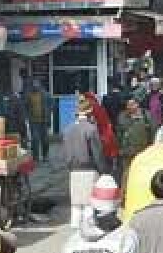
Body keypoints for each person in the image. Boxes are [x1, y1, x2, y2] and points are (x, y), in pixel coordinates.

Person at [60, 97, 111, 227]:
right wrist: (104, 170)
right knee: (89, 204)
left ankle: (75, 230)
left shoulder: (67, 130)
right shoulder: (91, 129)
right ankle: (89, 229)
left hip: (73, 170)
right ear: (90, 114)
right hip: (89, 169)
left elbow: (65, 153)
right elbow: (98, 154)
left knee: (76, 204)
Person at [117, 98, 154, 170]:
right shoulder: (122, 116)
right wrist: (120, 150)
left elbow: (153, 132)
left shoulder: (146, 115)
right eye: (128, 105)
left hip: (143, 152)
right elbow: (119, 134)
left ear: (137, 104)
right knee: (127, 173)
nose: (129, 107)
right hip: (127, 153)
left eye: (132, 104)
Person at [25, 79, 53, 162]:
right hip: (33, 122)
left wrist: (49, 113)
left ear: (40, 86)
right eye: (34, 86)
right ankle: (35, 157)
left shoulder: (46, 94)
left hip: (44, 121)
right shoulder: (29, 95)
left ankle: (45, 156)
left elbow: (51, 104)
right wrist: (27, 117)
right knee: (35, 140)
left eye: (37, 85)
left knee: (45, 140)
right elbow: (25, 106)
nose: (35, 87)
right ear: (32, 86)